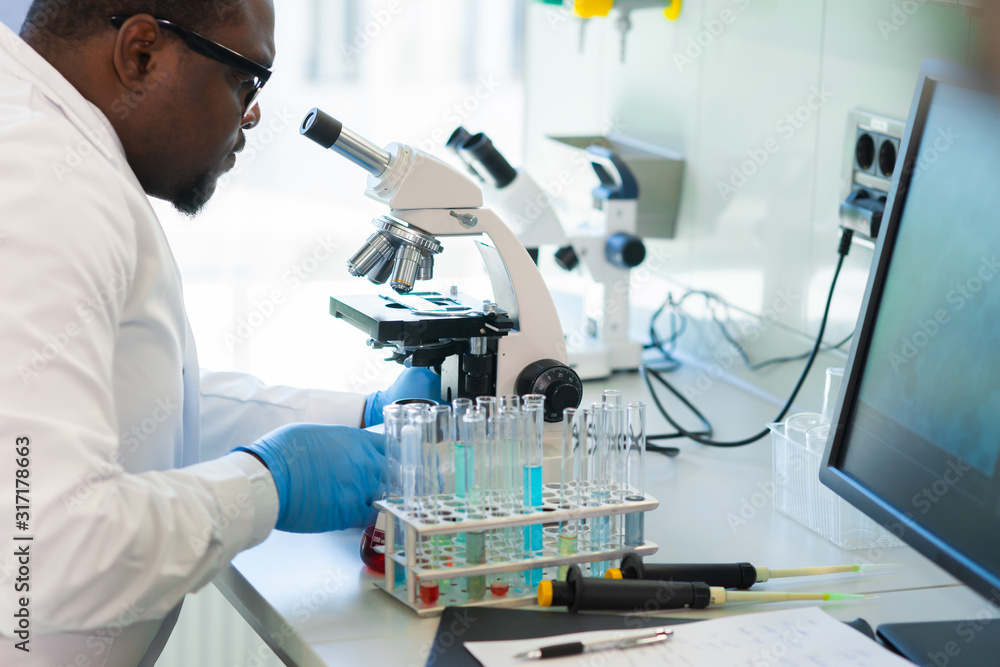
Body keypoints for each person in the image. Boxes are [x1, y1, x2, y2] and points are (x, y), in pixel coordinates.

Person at [0, 1, 439, 664]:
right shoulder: (43, 182)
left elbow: (136, 407)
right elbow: (45, 554)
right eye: (245, 79)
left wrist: (358, 415)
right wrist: (267, 483)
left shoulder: (56, 152)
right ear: (142, 52)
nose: (253, 113)